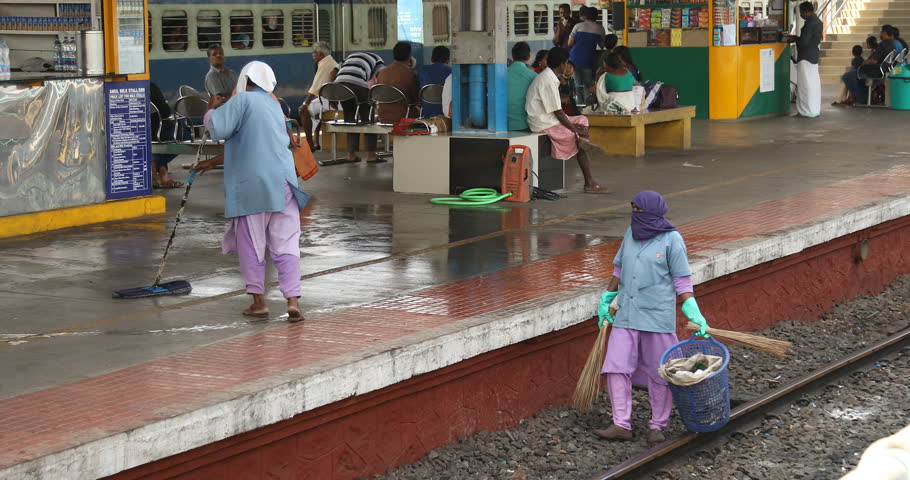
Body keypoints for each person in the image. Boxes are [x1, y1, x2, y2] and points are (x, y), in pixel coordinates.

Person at [191, 61, 309, 322]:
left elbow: (218, 129)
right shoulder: (274, 104)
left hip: (253, 186)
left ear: (245, 79)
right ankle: (292, 301)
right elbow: (251, 143)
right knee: (287, 243)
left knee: (252, 244)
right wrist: (211, 162)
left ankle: (258, 302)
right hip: (284, 184)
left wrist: (210, 108)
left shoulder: (242, 100)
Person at [592, 191, 710, 444]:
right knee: (616, 367)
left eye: (640, 210)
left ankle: (657, 425)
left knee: (661, 372)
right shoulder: (631, 234)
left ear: (654, 212)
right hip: (626, 312)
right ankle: (620, 424)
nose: (636, 215)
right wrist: (607, 297)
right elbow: (619, 268)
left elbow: (681, 279)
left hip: (657, 316)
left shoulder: (672, 240)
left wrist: (692, 308)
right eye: (633, 209)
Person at [525, 47, 606, 194]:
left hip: (550, 118)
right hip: (543, 123)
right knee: (576, 134)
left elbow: (558, 113)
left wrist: (575, 126)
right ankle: (589, 182)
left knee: (582, 119)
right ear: (562, 64)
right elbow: (559, 113)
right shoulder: (547, 81)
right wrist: (573, 128)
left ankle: (583, 140)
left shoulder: (549, 77)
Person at [334, 50, 385, 163]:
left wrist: (331, 94)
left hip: (340, 84)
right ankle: (371, 155)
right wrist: (380, 97)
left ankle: (351, 155)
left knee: (350, 118)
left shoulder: (349, 57)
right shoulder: (377, 59)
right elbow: (381, 75)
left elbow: (333, 72)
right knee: (368, 118)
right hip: (358, 84)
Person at [843, 25, 901, 105]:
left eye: (880, 32)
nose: (879, 34)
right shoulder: (892, 44)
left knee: (846, 76)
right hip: (884, 70)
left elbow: (874, 61)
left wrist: (866, 62)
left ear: (884, 33)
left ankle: (863, 98)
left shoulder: (883, 44)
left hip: (875, 71)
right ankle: (867, 96)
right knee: (857, 79)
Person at [297, 41, 337, 151]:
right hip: (333, 99)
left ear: (320, 54)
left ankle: (310, 145)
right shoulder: (329, 62)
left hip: (331, 101)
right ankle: (315, 140)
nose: (313, 55)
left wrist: (305, 104)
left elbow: (315, 88)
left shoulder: (324, 65)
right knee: (316, 107)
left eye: (314, 52)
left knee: (303, 111)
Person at [788, 1, 822, 117]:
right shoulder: (818, 21)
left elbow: (804, 42)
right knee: (813, 85)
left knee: (804, 86)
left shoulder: (809, 24)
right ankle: (813, 109)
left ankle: (804, 111)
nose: (801, 15)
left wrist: (794, 39)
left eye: (801, 13)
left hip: (805, 57)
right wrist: (798, 38)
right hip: (813, 56)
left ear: (806, 11)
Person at [569, 6, 607, 103]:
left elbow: (569, 43)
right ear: (596, 16)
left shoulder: (578, 26)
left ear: (585, 16)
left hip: (574, 59)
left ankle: (579, 104)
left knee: (577, 83)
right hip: (588, 59)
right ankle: (587, 105)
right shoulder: (600, 28)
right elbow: (602, 45)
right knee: (588, 83)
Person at [376, 42, 419, 125]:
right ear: (410, 56)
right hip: (404, 116)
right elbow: (415, 100)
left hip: (383, 116)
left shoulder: (382, 72)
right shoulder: (410, 74)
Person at [149, 82, 181, 189]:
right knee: (183, 135)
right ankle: (162, 172)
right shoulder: (150, 87)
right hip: (158, 130)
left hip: (138, 131)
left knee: (155, 141)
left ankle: (154, 172)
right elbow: (165, 112)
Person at [508, 42, 538, 131]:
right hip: (524, 124)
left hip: (503, 124)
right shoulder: (533, 76)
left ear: (512, 56)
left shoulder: (501, 74)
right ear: (528, 57)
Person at [417, 46, 452, 117]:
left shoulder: (422, 70)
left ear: (432, 58)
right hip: (444, 114)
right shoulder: (452, 72)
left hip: (426, 112)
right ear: (448, 60)